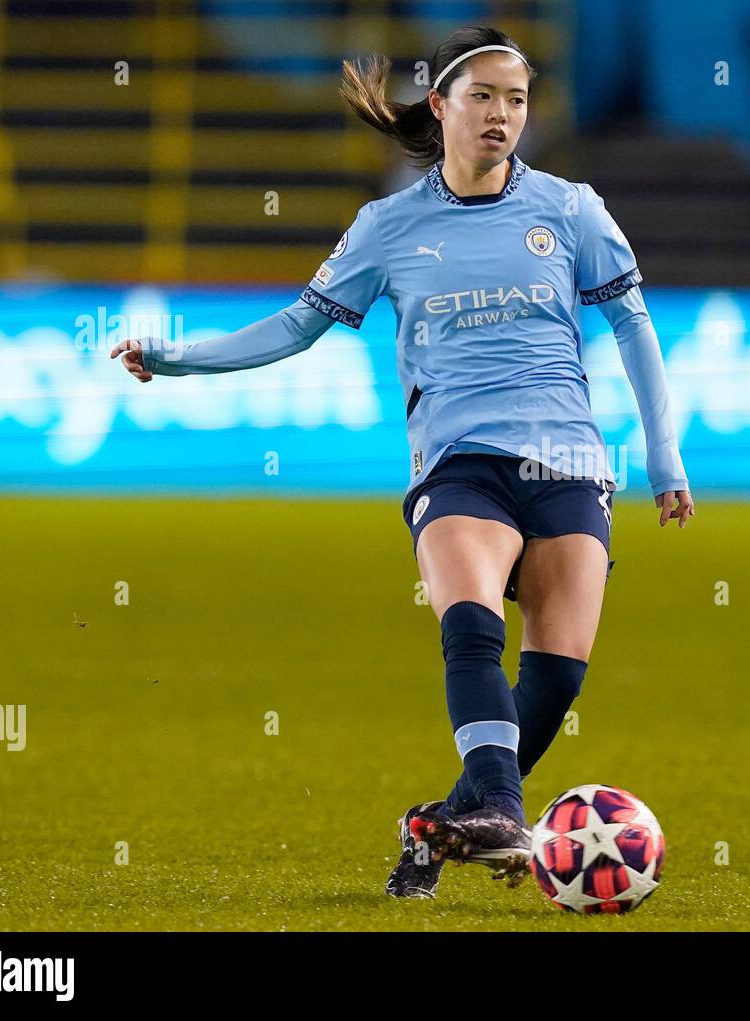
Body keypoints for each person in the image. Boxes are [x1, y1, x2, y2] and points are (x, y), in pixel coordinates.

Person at [111, 25, 694, 899]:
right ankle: (501, 808)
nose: (503, 115)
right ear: (442, 105)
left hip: (570, 463)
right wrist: (178, 356)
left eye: (518, 100)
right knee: (470, 628)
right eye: (484, 97)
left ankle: (441, 826)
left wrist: (663, 452)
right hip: (460, 462)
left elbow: (633, 325)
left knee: (559, 675)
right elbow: (296, 326)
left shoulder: (571, 209)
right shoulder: (388, 226)